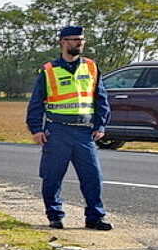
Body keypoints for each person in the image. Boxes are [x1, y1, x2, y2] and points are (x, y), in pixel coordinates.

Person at [27, 25, 112, 230]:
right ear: (63, 42)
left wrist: (100, 124)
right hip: (57, 131)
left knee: (92, 176)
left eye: (82, 39)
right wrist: (36, 129)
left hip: (84, 132)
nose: (80, 43)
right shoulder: (49, 70)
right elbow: (36, 102)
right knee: (52, 176)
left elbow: (101, 99)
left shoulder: (91, 67)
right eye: (75, 39)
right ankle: (55, 215)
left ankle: (95, 217)